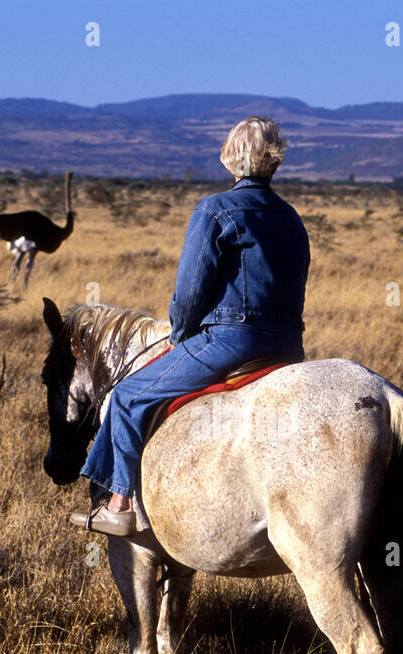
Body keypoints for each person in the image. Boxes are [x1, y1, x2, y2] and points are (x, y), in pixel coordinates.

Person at [71, 116, 309, 537]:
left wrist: (181, 335)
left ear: (231, 160)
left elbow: (190, 293)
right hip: (289, 346)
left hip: (231, 341)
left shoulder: (215, 209)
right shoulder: (291, 217)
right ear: (274, 163)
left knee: (127, 396)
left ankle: (120, 504)